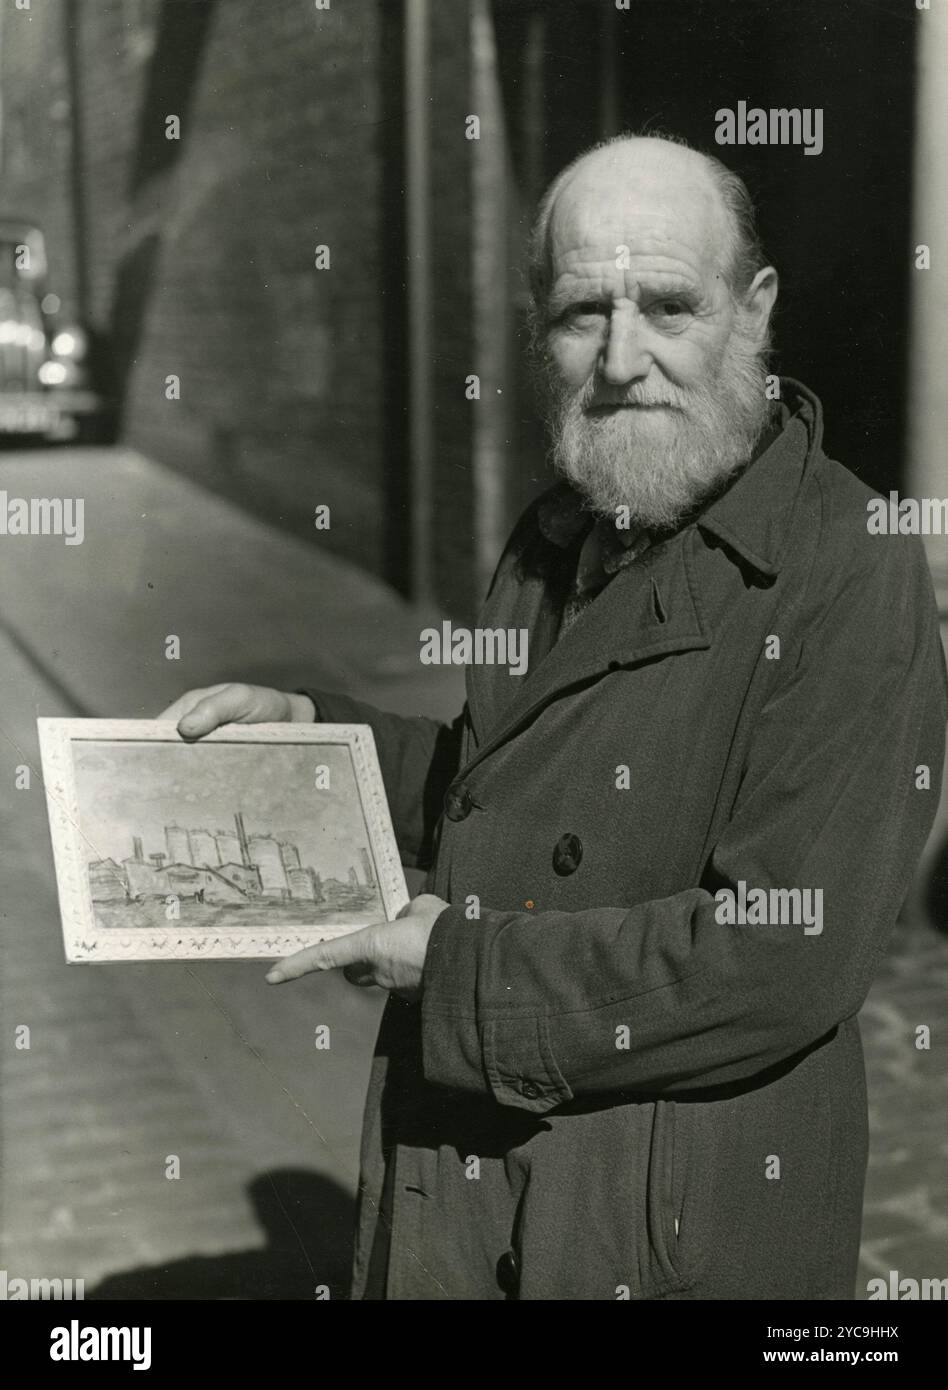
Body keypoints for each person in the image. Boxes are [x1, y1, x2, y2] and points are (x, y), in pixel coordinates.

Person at [161, 134, 947, 1300]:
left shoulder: (849, 563)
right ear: (540, 328)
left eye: (670, 306)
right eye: (585, 312)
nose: (622, 358)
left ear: (754, 311)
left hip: (655, 1230)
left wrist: (459, 971)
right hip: (460, 1189)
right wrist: (319, 748)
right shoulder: (566, 525)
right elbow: (515, 798)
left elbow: (781, 954)